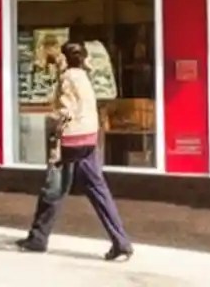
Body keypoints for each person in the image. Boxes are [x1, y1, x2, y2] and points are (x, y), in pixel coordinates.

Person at [16, 42, 133, 261]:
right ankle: (121, 241)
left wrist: (52, 126)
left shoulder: (68, 78)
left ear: (64, 59)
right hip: (89, 139)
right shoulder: (84, 76)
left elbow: (65, 111)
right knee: (98, 190)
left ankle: (38, 239)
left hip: (70, 142)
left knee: (52, 189)